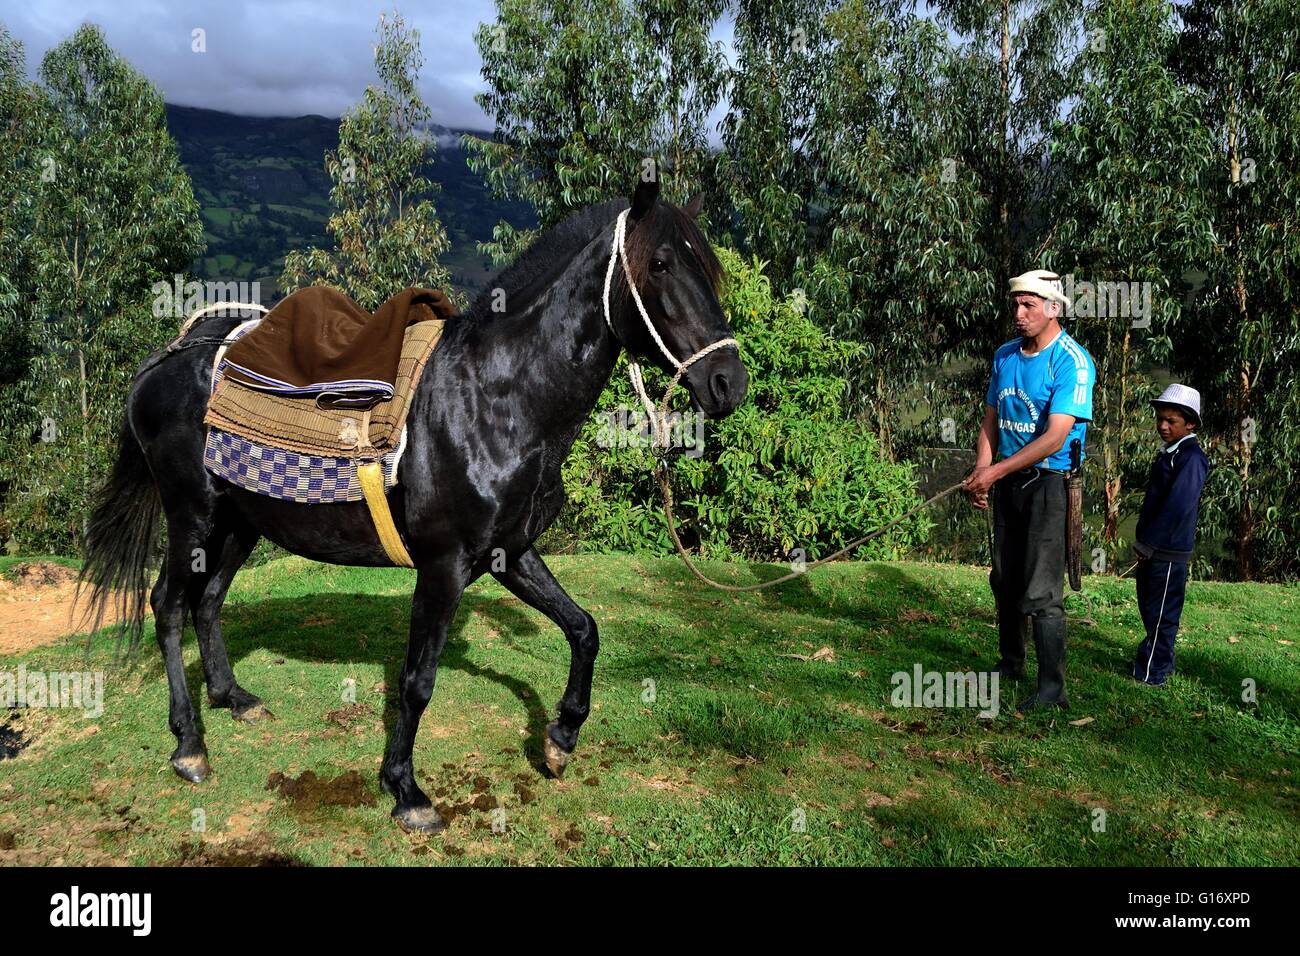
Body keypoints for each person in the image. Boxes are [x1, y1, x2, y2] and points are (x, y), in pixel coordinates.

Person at [964, 270, 1096, 711]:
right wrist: (984, 469)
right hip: (1007, 483)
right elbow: (990, 419)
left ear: (1053, 309)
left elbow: (1056, 437)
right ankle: (1010, 662)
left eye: (1029, 306)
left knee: (1041, 591)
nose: (1019, 314)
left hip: (1049, 485)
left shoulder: (1072, 361)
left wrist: (995, 471)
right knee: (1004, 578)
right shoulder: (1004, 356)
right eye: (1016, 305)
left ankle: (1051, 688)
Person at [1132, 384, 1210, 686]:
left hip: (1167, 552)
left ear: (1190, 423)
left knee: (1162, 614)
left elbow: (1179, 505)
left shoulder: (1191, 458)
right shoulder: (1171, 453)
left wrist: (1150, 542)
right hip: (1153, 549)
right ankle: (1159, 661)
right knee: (1151, 609)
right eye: (1160, 419)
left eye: (1171, 421)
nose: (1163, 426)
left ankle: (1153, 673)